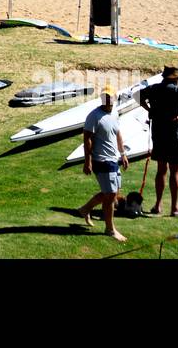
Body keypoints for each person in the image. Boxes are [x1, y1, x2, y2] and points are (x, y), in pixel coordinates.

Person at [139, 65, 178, 217]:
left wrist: (149, 109)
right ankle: (175, 207)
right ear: (176, 78)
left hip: (158, 133)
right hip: (173, 135)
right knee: (175, 171)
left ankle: (157, 205)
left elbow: (137, 96)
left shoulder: (154, 88)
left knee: (161, 169)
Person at [78, 85, 128, 241]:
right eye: (104, 96)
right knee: (110, 194)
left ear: (114, 98)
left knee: (112, 193)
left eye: (109, 96)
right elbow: (87, 139)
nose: (106, 99)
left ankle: (85, 209)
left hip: (114, 159)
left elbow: (117, 134)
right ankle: (109, 229)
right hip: (101, 160)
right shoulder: (94, 116)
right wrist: (88, 161)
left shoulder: (114, 113)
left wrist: (123, 154)